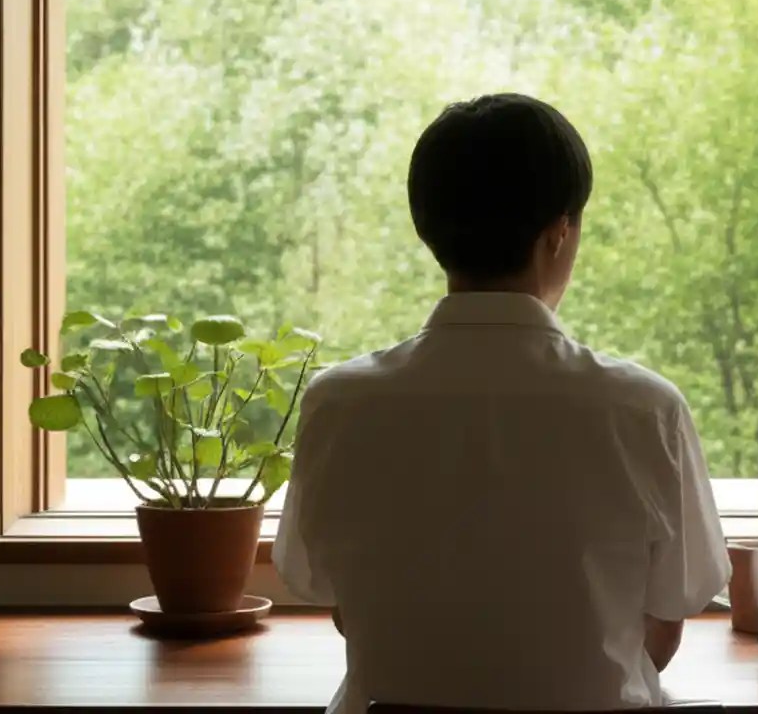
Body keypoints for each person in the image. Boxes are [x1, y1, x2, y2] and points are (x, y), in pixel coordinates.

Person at [274, 93, 730, 714]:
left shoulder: (339, 403)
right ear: (559, 233)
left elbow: (341, 607)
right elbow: (668, 621)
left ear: (427, 228)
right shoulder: (645, 409)